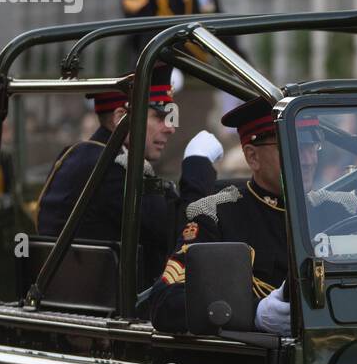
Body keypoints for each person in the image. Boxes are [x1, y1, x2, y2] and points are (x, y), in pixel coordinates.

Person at [149, 98, 355, 334]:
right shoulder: (215, 215)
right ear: (252, 157)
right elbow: (166, 303)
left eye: (311, 145)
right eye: (292, 147)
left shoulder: (342, 210)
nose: (308, 160)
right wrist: (253, 314)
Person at [36, 65, 222, 289]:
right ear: (120, 119)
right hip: (106, 312)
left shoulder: (86, 156)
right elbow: (182, 235)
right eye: (159, 117)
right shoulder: (110, 169)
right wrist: (198, 164)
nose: (170, 128)